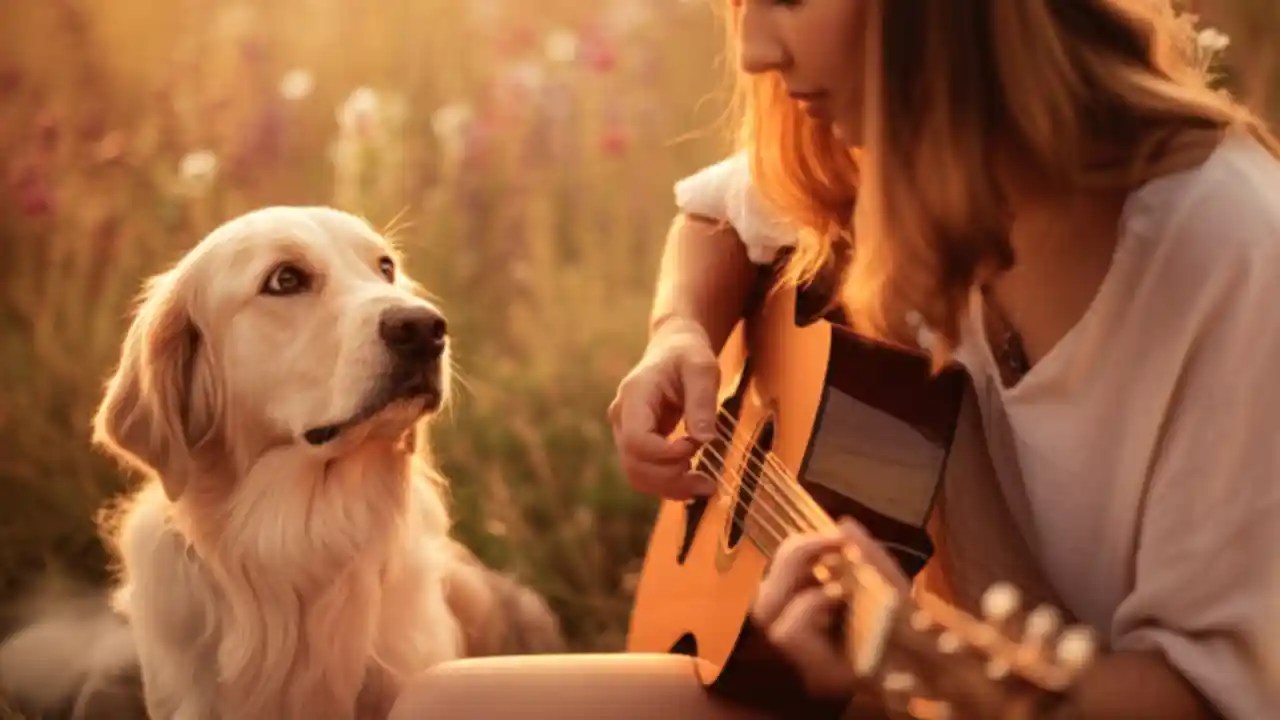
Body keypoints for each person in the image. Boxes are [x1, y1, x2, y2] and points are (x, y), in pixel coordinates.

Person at [391, 1, 1280, 718]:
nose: (754, 53)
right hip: (895, 685)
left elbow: (1205, 691)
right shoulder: (902, 156)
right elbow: (717, 216)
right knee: (442, 707)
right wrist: (679, 334)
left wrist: (936, 665)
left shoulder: (1231, 256)